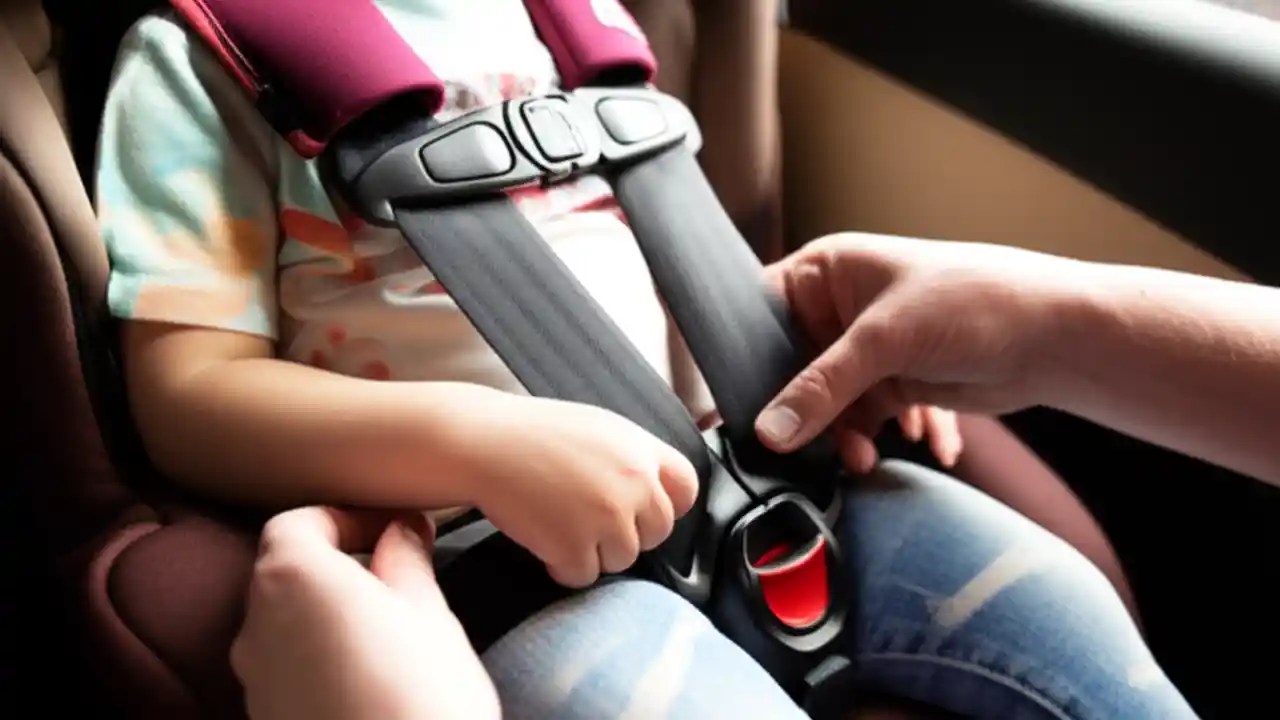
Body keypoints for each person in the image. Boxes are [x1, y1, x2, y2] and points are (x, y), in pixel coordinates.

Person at [95, 0, 1189, 717]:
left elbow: (662, 258)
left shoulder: (578, 23)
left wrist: (806, 363)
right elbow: (186, 393)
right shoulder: (206, 61)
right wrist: (475, 442)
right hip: (508, 568)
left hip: (766, 478)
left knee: (1070, 614)